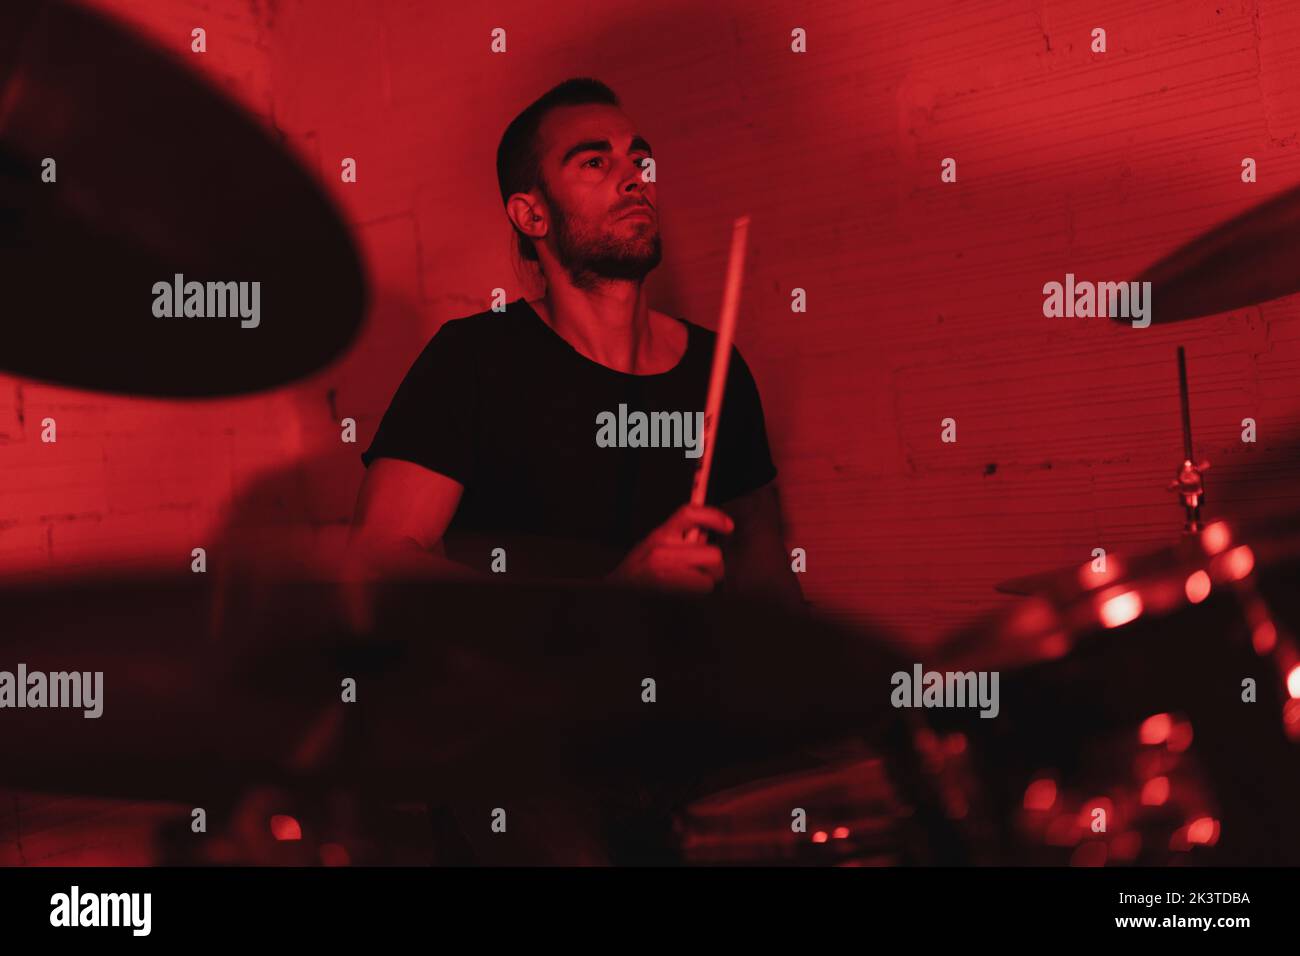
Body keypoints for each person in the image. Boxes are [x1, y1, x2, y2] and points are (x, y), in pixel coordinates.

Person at [348, 77, 801, 605]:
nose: (634, 177)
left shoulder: (715, 367)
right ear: (531, 214)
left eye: (639, 159)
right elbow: (379, 560)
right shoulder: (472, 360)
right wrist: (605, 600)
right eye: (595, 162)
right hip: (527, 685)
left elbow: (768, 584)